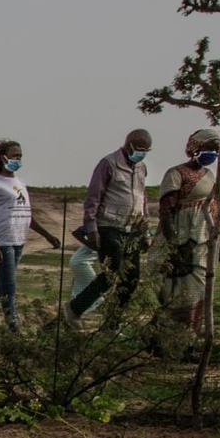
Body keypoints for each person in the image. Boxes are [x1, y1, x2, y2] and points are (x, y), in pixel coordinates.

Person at [151, 130, 220, 360]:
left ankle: (188, 343)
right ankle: (169, 344)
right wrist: (173, 246)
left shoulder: (210, 175)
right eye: (208, 148)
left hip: (201, 243)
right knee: (177, 293)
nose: (212, 153)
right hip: (181, 244)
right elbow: (166, 211)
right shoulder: (176, 174)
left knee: (198, 293)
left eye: (215, 150)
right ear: (194, 148)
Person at [70, 128, 152, 318]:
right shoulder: (108, 163)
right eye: (140, 148)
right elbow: (93, 198)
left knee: (131, 279)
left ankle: (112, 321)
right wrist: (91, 228)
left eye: (146, 150)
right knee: (112, 272)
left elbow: (142, 198)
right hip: (108, 225)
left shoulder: (142, 168)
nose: (142, 153)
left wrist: (146, 231)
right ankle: (74, 309)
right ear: (129, 144)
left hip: (132, 227)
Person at [0, 140, 32, 331]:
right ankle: (14, 328)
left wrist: (48, 235)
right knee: (9, 287)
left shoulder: (20, 183)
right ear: (3, 157)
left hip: (19, 239)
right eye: (14, 155)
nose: (18, 159)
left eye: (20, 156)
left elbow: (26, 211)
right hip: (2, 240)